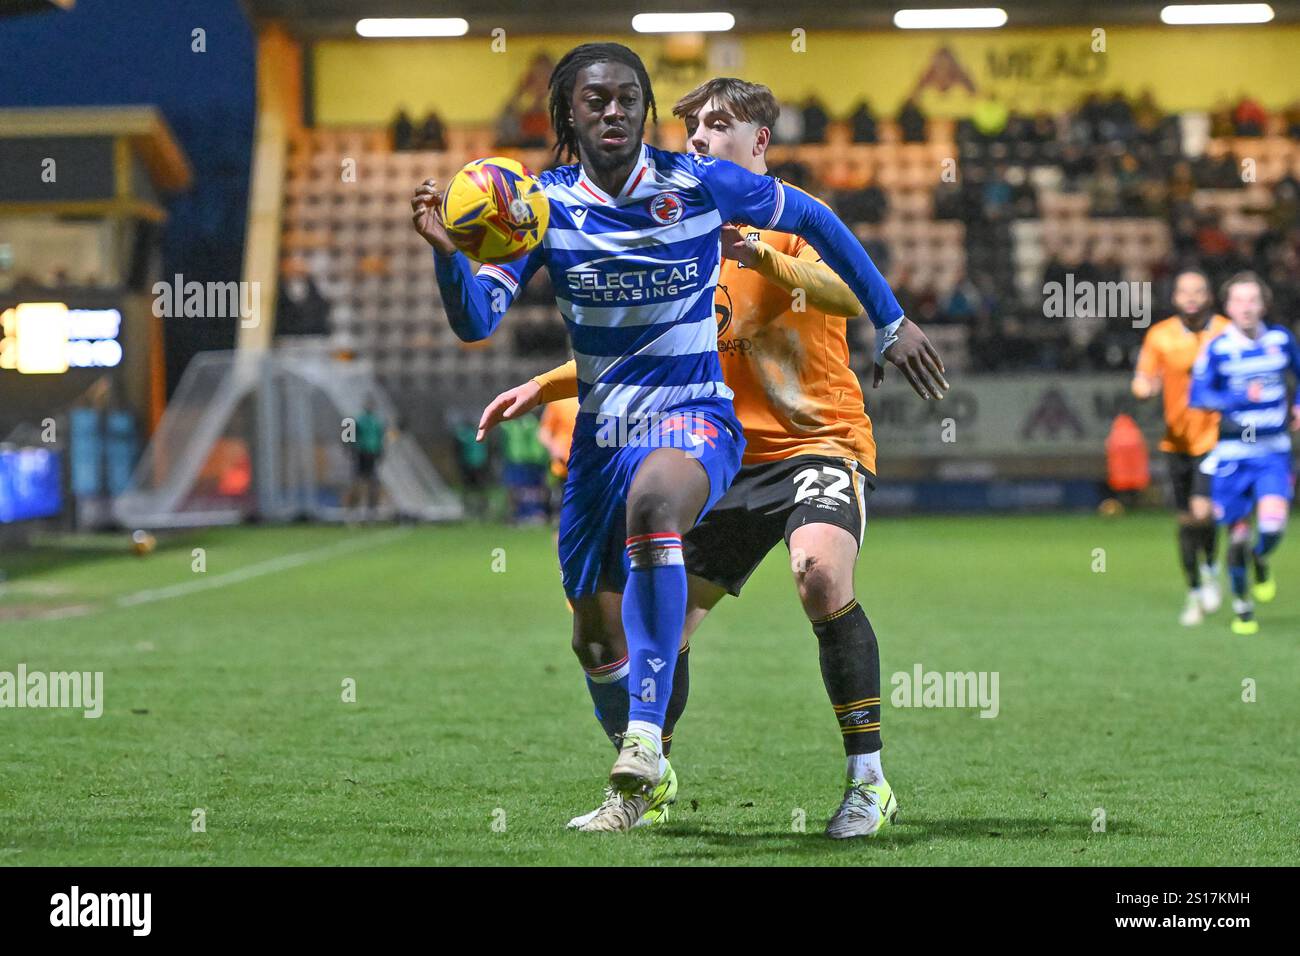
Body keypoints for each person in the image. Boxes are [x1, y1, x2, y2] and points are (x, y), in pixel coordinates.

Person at [412, 43, 945, 833]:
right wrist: (451, 259)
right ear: (569, 114)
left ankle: (851, 777)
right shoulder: (541, 205)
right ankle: (643, 781)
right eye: (597, 101)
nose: (617, 112)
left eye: (631, 98)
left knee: (798, 568)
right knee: (599, 636)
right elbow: (479, 321)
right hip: (613, 436)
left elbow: (821, 231)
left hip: (754, 433)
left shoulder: (711, 198)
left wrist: (892, 320)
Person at [1189, 272, 1300, 634]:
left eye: (1253, 300)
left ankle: (1261, 556)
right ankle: (1242, 607)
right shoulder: (1218, 349)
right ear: (1228, 307)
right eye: (1239, 301)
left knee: (1272, 525)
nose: (1246, 307)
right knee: (1236, 536)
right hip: (1234, 456)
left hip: (1272, 452)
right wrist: (1235, 399)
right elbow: (1199, 395)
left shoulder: (1281, 341)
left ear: (1263, 304)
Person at [1132, 269, 1230, 625]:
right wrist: (1144, 387)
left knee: (1204, 511)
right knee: (1187, 520)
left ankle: (1210, 568)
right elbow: (1143, 377)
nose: (1191, 297)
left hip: (1215, 438)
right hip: (1177, 440)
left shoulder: (1225, 332)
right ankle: (1193, 591)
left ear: (1208, 296)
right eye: (1184, 291)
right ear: (1174, 297)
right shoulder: (1160, 336)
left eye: (1198, 290)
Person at [350, 405, 386, 519]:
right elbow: (381, 438)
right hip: (369, 453)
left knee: (364, 481)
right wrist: (381, 452)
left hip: (363, 453)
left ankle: (362, 509)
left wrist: (351, 449)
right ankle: (367, 509)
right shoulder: (375, 421)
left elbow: (348, 435)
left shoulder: (360, 420)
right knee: (369, 482)